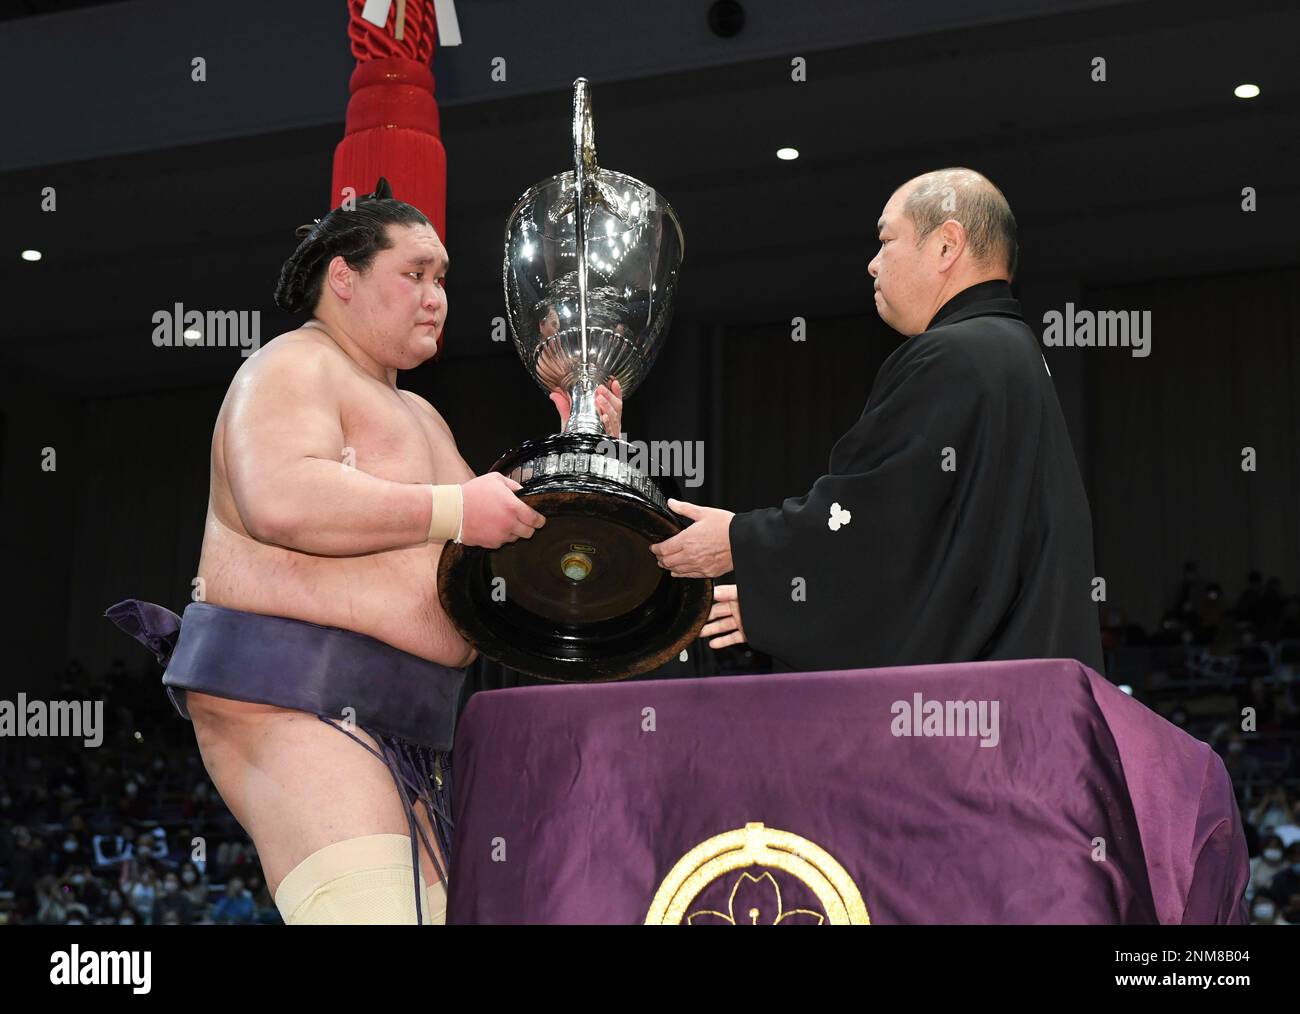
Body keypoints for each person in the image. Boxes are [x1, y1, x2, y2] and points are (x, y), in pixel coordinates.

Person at [106, 179, 621, 925]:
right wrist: (455, 507)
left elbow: (498, 548)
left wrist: (583, 452)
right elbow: (280, 497)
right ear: (343, 279)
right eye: (413, 274)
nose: (435, 296)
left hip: (404, 723)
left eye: (442, 278)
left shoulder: (421, 415)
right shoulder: (292, 364)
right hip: (297, 696)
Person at [652, 168, 1103, 673]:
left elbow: (877, 518)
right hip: (1025, 696)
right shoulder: (1013, 354)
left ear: (946, 246)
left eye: (887, 240)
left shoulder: (952, 354)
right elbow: (947, 545)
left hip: (974, 714)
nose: (872, 264)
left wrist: (744, 544)